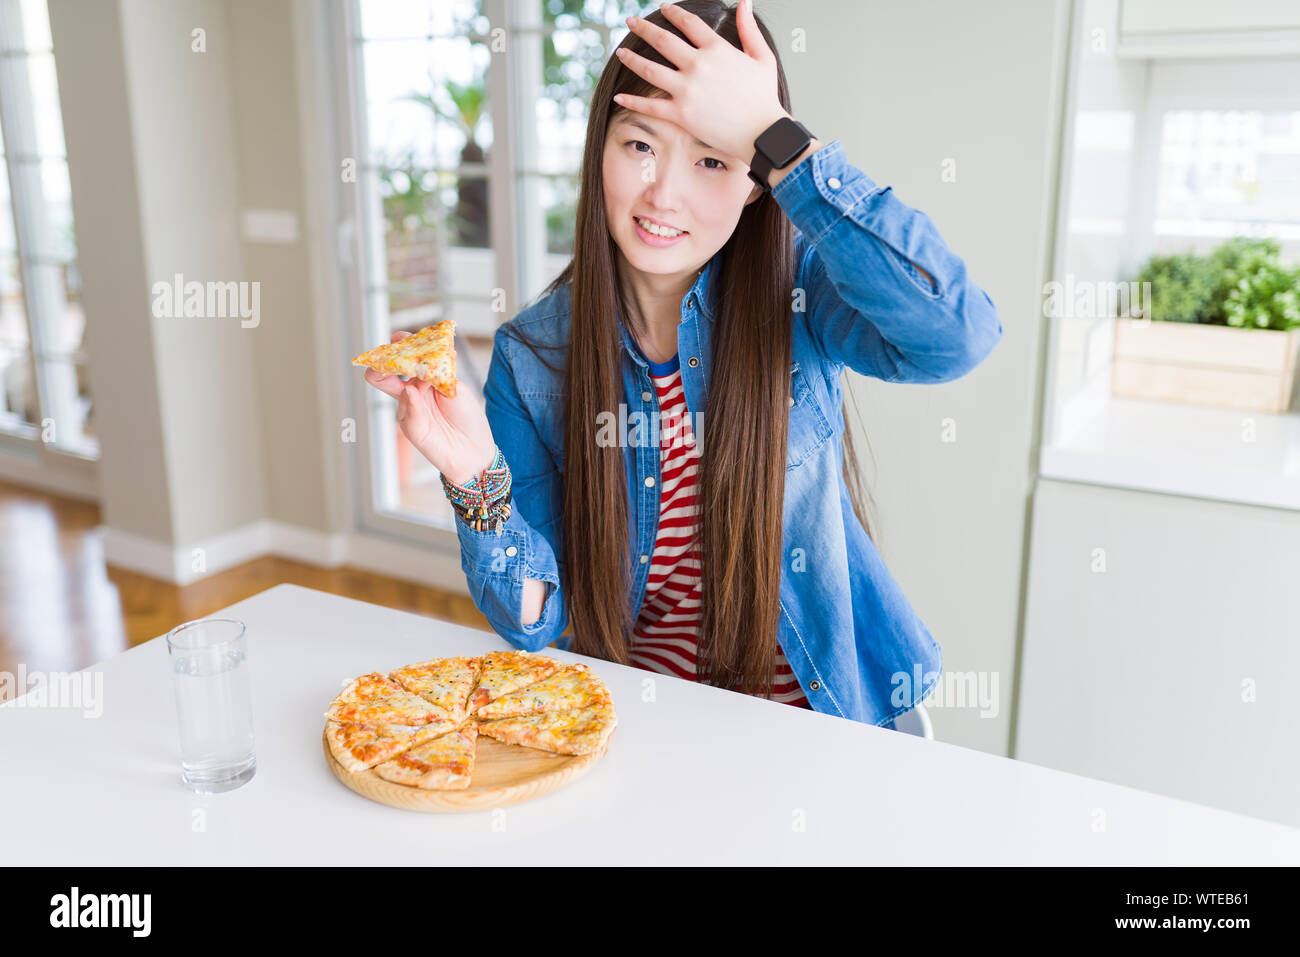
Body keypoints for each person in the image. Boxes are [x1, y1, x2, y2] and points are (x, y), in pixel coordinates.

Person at [362, 0, 1002, 729]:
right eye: (640, 146)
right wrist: (476, 479)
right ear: (599, 147)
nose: (664, 194)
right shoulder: (533, 356)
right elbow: (536, 622)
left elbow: (957, 334)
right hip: (651, 732)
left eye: (711, 159)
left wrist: (782, 141)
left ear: (757, 179)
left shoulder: (801, 294)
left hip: (823, 728)